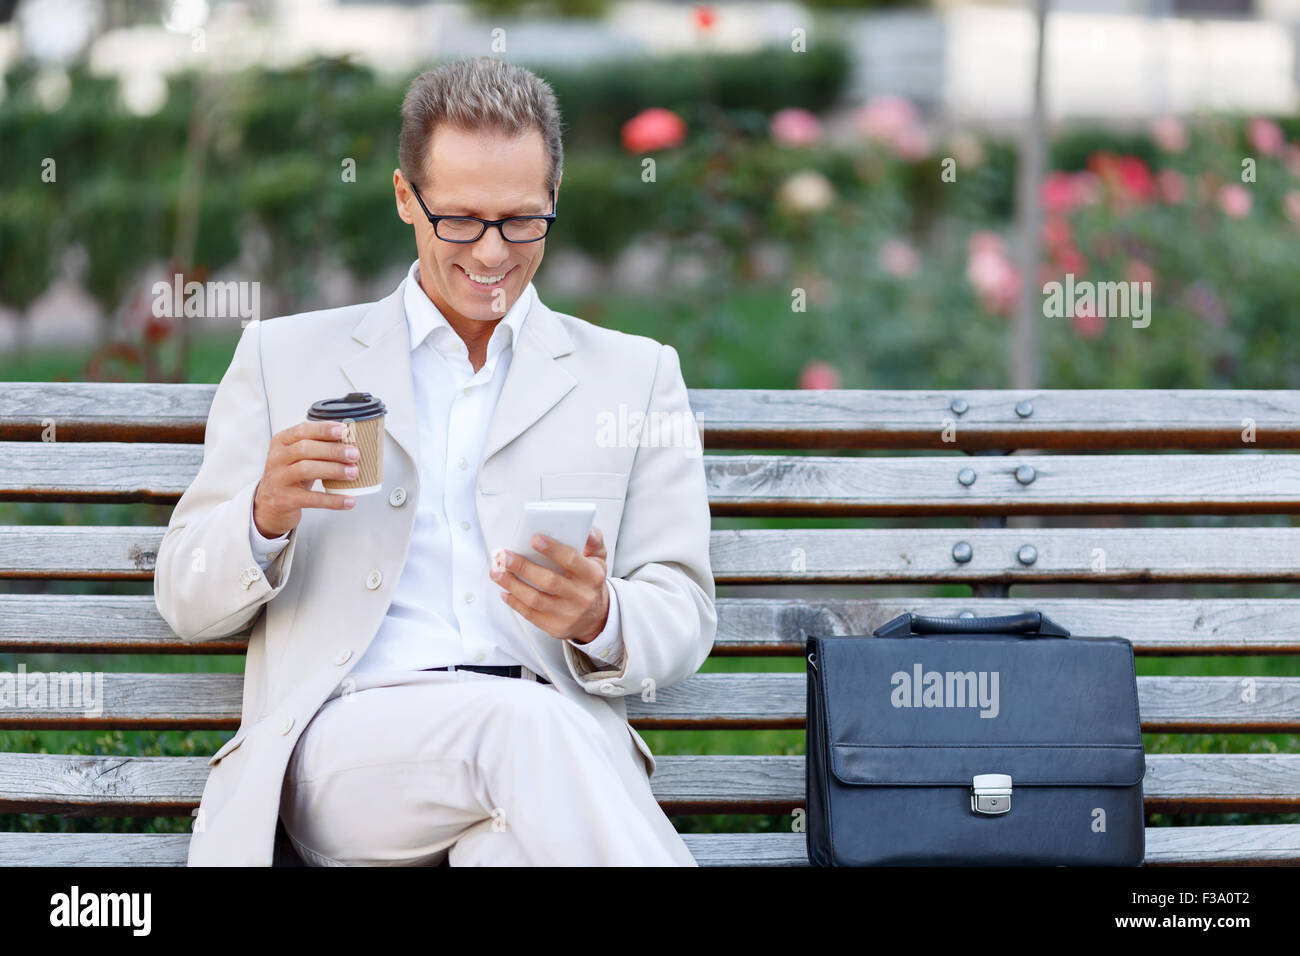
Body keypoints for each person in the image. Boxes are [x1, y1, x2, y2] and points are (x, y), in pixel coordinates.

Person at [153, 56, 716, 866]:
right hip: (348, 753)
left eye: (522, 221)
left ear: (554, 200)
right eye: (461, 220)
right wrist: (262, 518)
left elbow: (683, 609)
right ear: (403, 198)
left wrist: (601, 619)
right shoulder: (286, 358)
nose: (492, 255)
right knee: (518, 726)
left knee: (505, 849)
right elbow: (183, 597)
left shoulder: (634, 375)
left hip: (550, 762)